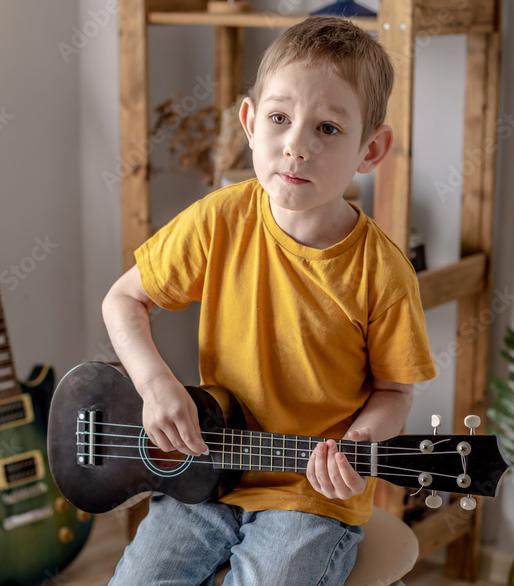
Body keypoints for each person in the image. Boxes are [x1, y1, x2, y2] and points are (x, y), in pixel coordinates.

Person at [101, 15, 436, 585]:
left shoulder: (381, 271)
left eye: (328, 128)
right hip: (207, 472)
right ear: (251, 123)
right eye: (280, 119)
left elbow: (394, 392)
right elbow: (123, 299)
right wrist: (154, 384)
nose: (296, 146)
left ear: (370, 149)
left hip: (309, 495)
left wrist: (357, 444)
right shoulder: (220, 219)